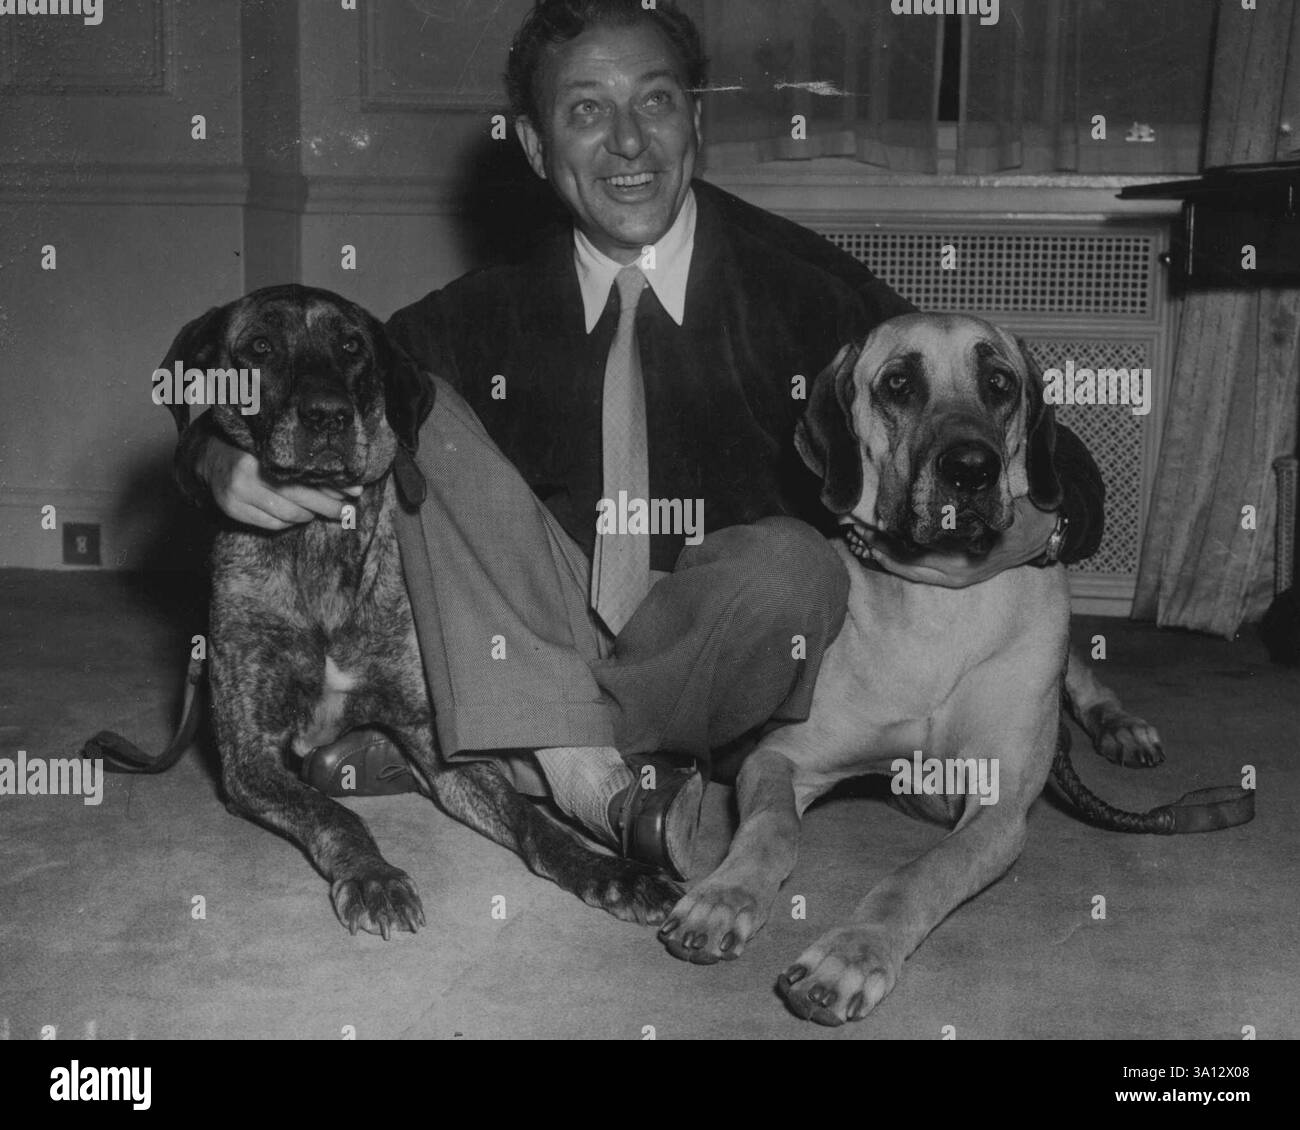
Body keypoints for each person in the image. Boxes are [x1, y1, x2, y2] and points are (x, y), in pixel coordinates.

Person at [176, 0, 1104, 880]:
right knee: (420, 417)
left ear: (694, 121)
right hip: (547, 638)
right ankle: (584, 772)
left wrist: (1037, 530)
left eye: (655, 100)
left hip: (716, 654)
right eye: (587, 110)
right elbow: (305, 360)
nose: (628, 142)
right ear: (537, 147)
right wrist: (213, 451)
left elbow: (1051, 461)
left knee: (797, 569)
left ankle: (521, 751)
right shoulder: (485, 311)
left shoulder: (807, 291)